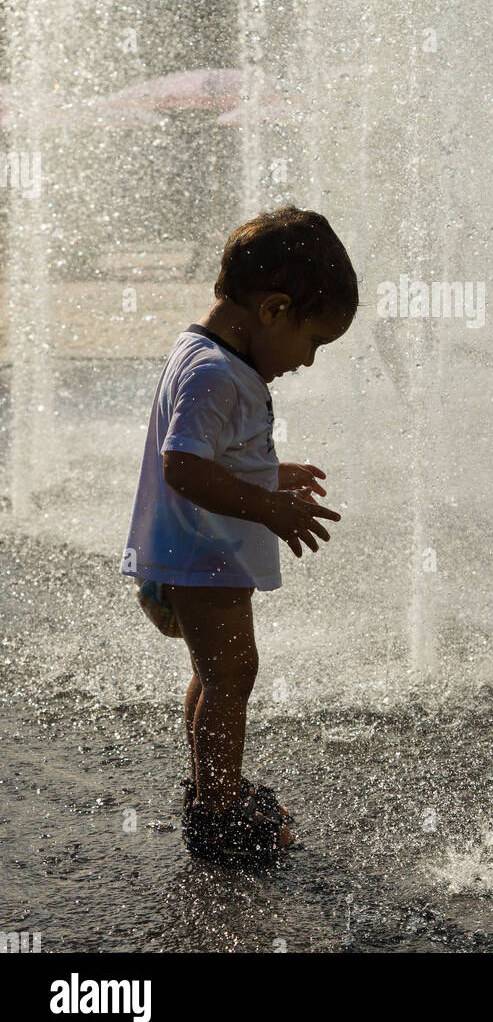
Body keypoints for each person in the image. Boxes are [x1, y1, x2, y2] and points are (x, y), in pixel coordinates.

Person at [120, 205, 358, 862]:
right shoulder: (215, 372)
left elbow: (209, 450)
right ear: (275, 310)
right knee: (233, 675)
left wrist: (267, 470)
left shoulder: (204, 352)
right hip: (204, 554)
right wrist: (268, 506)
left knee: (216, 673)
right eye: (313, 342)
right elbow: (183, 464)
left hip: (199, 551)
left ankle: (212, 791)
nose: (307, 362)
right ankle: (221, 811)